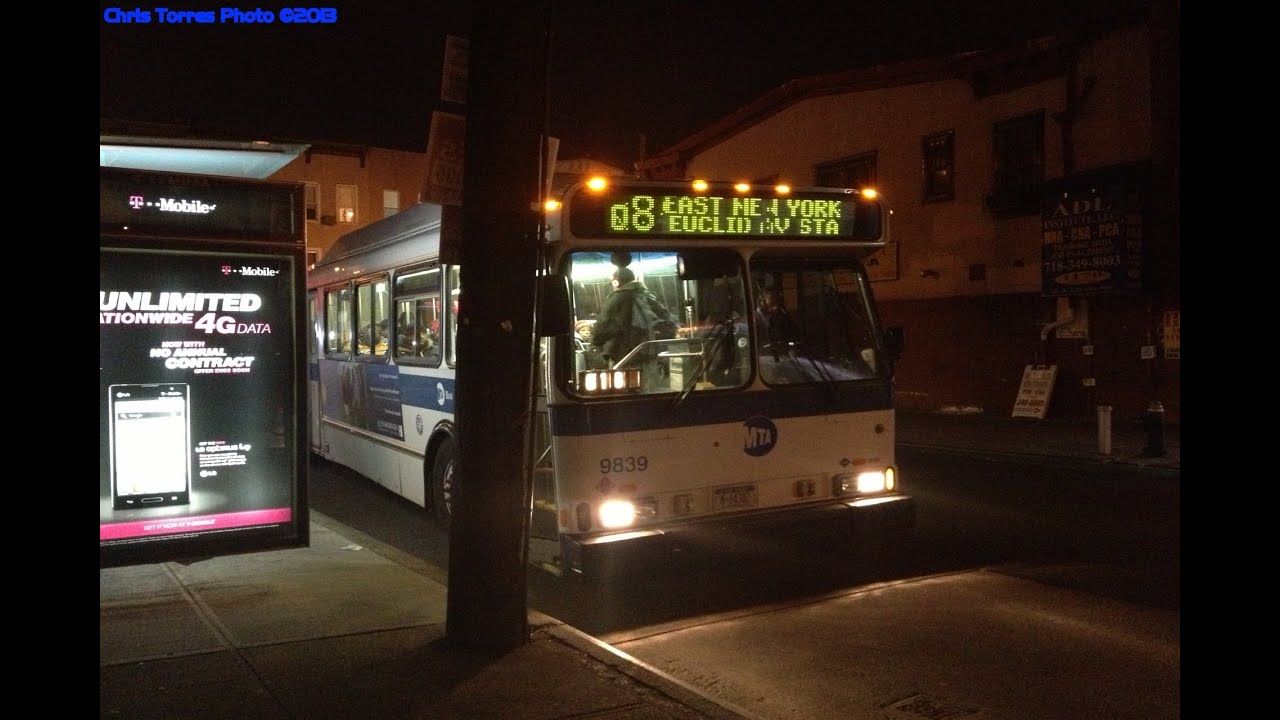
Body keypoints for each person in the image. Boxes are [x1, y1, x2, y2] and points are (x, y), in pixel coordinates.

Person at [590, 266, 673, 389]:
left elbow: (601, 330)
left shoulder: (617, 298)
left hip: (625, 358)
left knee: (625, 396)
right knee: (649, 394)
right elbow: (668, 323)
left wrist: (596, 342)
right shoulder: (648, 296)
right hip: (651, 357)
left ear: (616, 281)